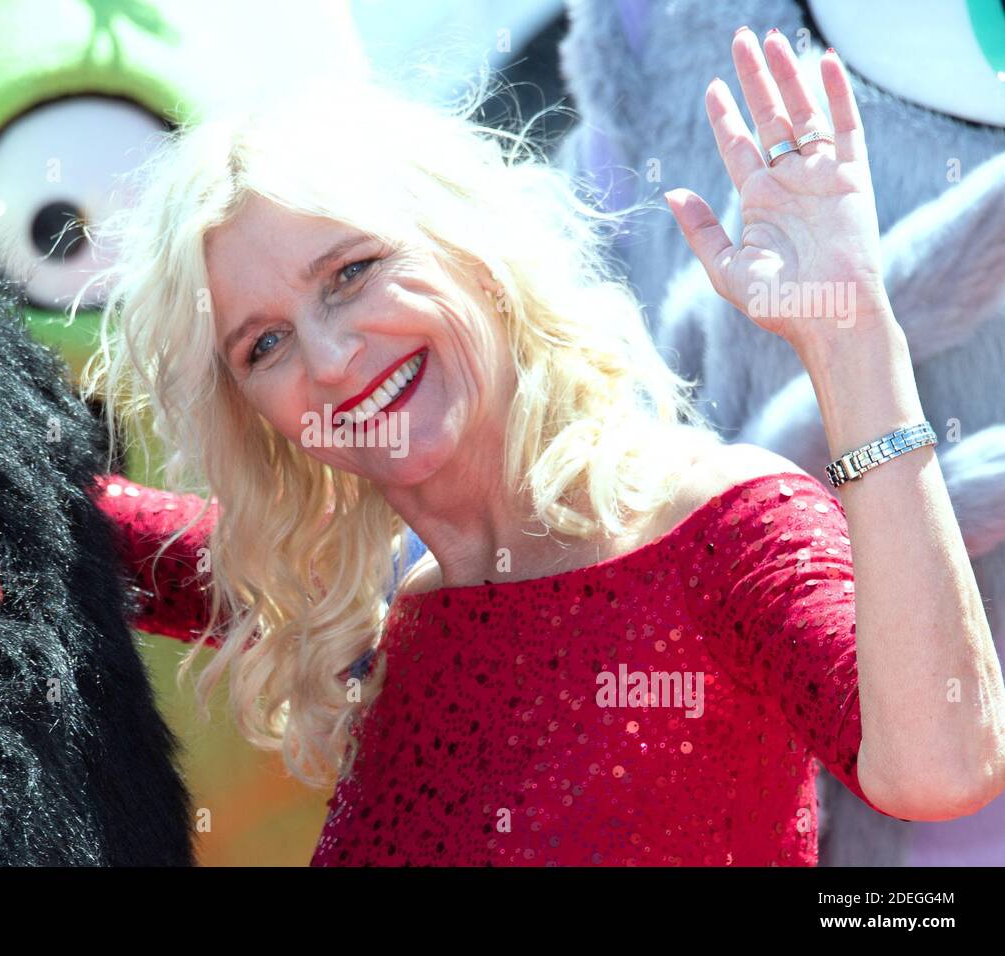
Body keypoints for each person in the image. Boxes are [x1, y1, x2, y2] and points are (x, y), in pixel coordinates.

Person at [80, 27, 1005, 865]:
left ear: (473, 247)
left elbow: (938, 768)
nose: (328, 360)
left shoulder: (717, 526)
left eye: (352, 274)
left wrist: (852, 341)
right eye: (264, 345)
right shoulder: (362, 603)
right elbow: (99, 532)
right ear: (255, 414)